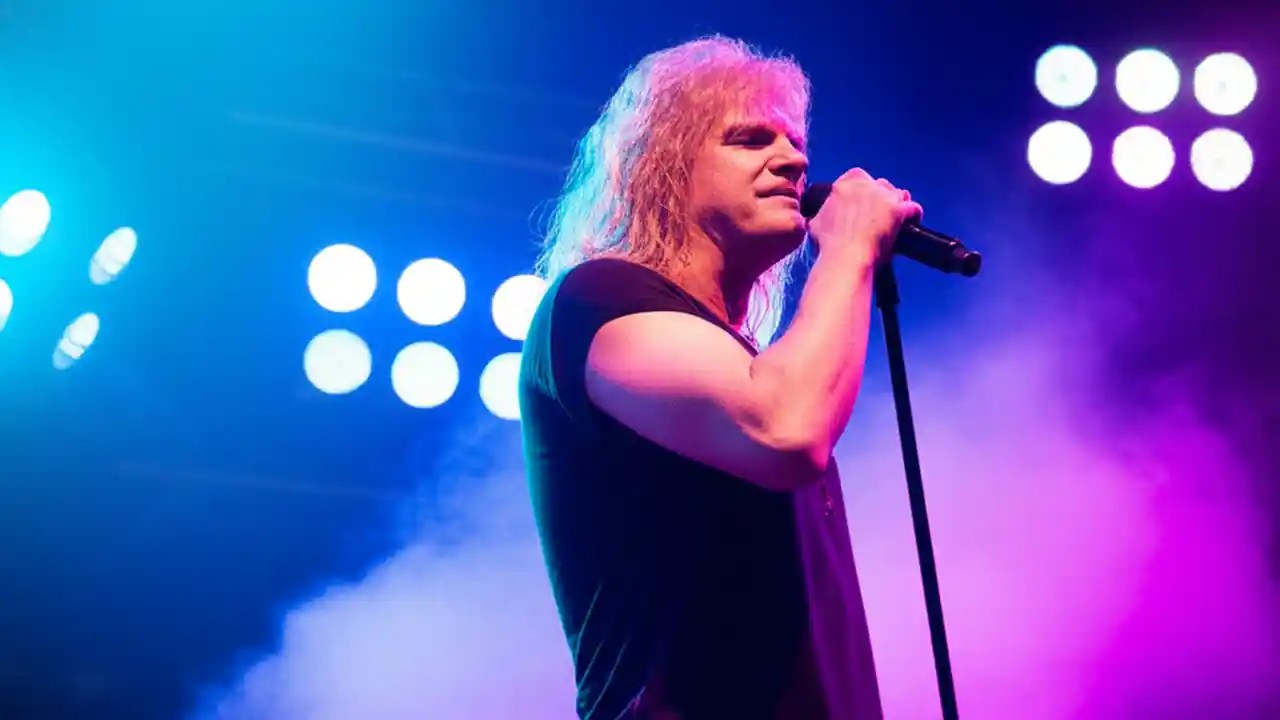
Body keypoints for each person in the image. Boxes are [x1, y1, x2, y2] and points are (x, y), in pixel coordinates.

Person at [518, 35, 922, 720]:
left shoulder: (745, 361)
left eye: (795, 141)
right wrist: (851, 250)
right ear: (664, 167)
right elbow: (785, 432)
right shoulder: (598, 300)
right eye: (749, 139)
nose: (794, 160)